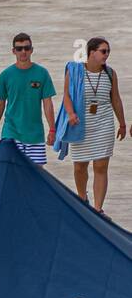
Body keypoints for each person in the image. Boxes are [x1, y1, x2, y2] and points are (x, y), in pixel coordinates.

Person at [59, 37, 126, 212]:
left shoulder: (110, 74)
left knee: (101, 166)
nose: (107, 55)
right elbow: (66, 95)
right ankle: (82, 199)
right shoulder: (74, 71)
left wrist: (122, 123)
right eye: (103, 51)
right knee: (80, 165)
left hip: (104, 124)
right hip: (81, 123)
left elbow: (116, 99)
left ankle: (98, 209)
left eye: (108, 52)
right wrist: (71, 113)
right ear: (91, 52)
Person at [0, 32, 57, 165]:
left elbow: (48, 104)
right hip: (11, 133)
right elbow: (0, 104)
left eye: (26, 48)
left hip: (35, 135)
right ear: (13, 51)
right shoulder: (6, 75)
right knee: (12, 175)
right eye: (19, 49)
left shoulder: (42, 73)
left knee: (35, 176)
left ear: (32, 50)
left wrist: (52, 130)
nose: (23, 51)